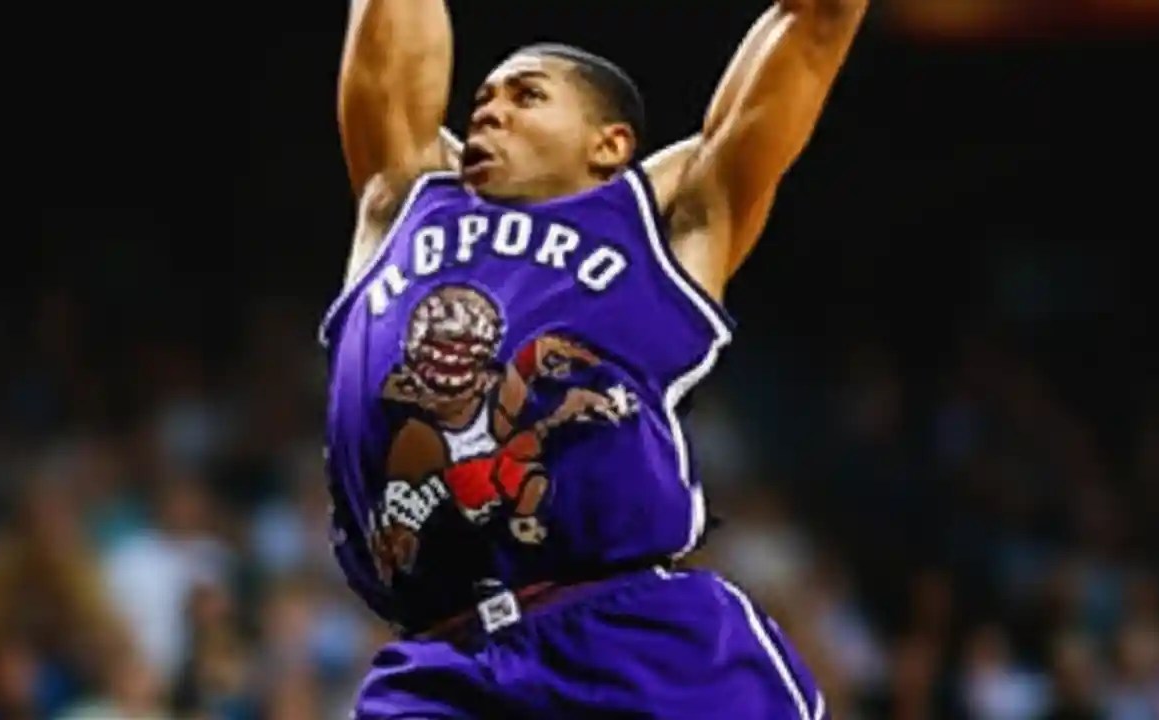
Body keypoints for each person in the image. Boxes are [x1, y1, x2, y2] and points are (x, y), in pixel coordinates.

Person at [320, 1, 866, 717]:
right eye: (483, 97)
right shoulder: (404, 202)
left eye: (527, 95)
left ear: (609, 145)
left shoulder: (665, 227)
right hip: (444, 666)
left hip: (632, 637)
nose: (488, 110)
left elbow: (815, 28)